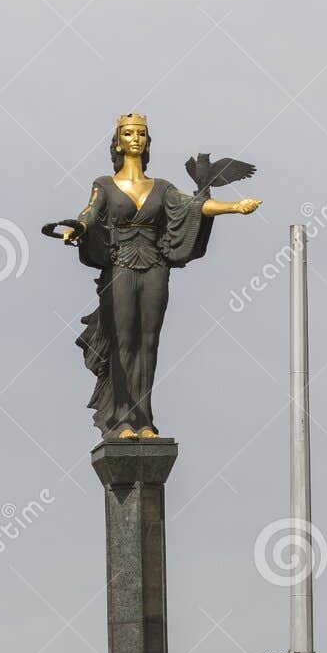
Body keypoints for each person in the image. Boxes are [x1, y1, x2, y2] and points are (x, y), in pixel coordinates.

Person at [61, 113, 260, 438]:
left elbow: (193, 206)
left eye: (141, 133)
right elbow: (91, 213)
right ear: (118, 141)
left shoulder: (162, 188)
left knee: (148, 343)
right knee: (124, 341)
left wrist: (235, 208)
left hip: (154, 267)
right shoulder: (105, 185)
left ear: (147, 141)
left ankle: (143, 420)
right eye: (129, 133)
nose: (135, 138)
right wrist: (78, 228)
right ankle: (121, 420)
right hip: (121, 266)